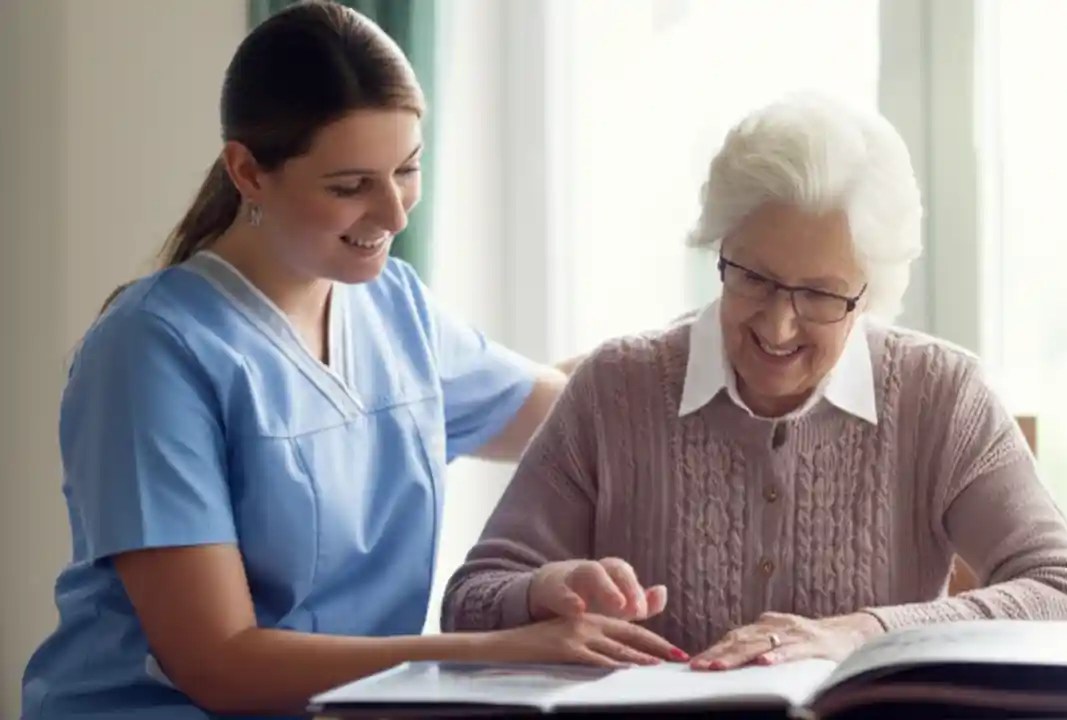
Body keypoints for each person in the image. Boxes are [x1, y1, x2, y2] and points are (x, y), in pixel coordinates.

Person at [21, 3, 679, 718]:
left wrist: (722, 344)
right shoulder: (152, 352)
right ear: (247, 170)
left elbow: (567, 410)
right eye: (351, 186)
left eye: (408, 169)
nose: (395, 214)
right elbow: (219, 664)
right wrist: (505, 646)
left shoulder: (394, 307)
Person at [442, 95, 1067, 671]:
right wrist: (545, 589)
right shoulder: (615, 387)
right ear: (720, 247)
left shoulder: (941, 395)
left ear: (871, 291)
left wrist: (862, 633)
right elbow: (468, 601)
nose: (779, 325)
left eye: (820, 294)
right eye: (754, 278)